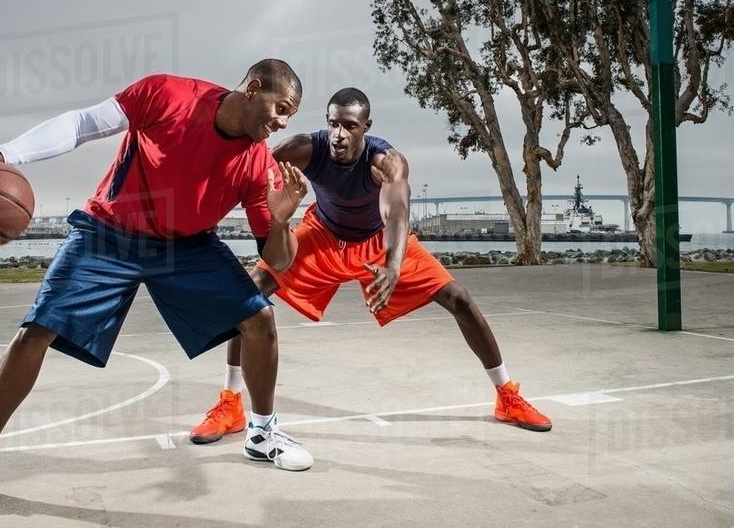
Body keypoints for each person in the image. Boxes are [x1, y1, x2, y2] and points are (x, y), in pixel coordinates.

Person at [0, 60, 313, 518]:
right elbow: (82, 124)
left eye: (290, 116)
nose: (283, 123)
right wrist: (5, 155)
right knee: (36, 330)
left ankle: (262, 432)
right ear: (253, 88)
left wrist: (281, 220)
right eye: (281, 108)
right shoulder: (168, 94)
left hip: (186, 245)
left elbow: (278, 260)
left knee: (259, 318)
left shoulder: (258, 164)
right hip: (110, 232)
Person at [189, 87, 551, 445]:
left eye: (349, 126)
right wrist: (205, 211)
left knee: (459, 298)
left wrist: (393, 266)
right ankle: (231, 403)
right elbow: (248, 170)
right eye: (333, 124)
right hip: (322, 234)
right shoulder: (304, 149)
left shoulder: (386, 162)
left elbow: (397, 213)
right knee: (249, 293)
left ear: (366, 126)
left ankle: (507, 396)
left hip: (377, 241)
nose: (339, 134)